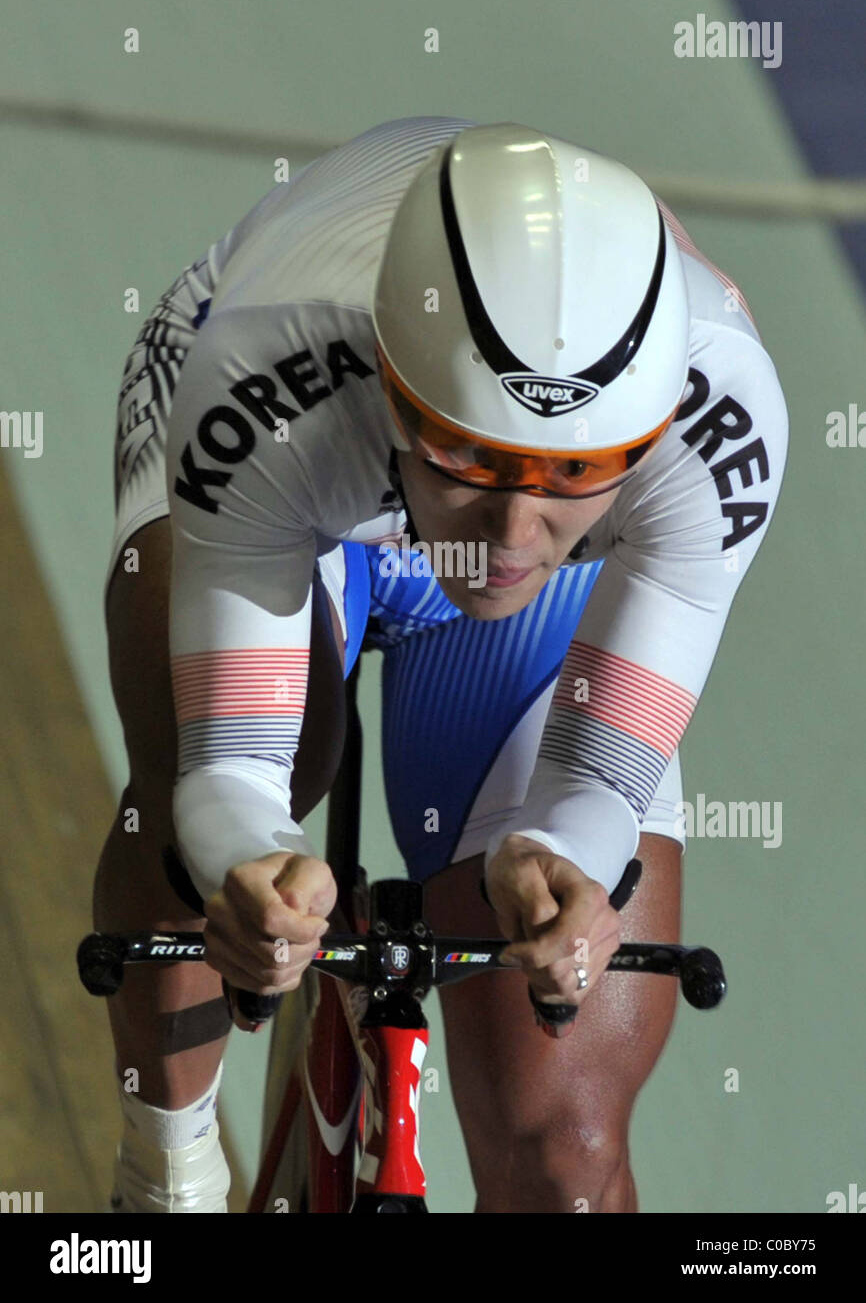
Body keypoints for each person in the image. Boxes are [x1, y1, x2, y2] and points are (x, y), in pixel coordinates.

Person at [95, 115, 788, 1213]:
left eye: (573, 472)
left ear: (645, 437)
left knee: (565, 1151)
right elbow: (234, 766)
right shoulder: (271, 369)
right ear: (396, 389)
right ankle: (166, 1167)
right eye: (473, 457)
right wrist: (244, 847)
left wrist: (564, 849)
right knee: (205, 808)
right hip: (294, 472)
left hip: (412, 496)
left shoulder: (718, 422)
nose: (509, 539)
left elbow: (601, 778)